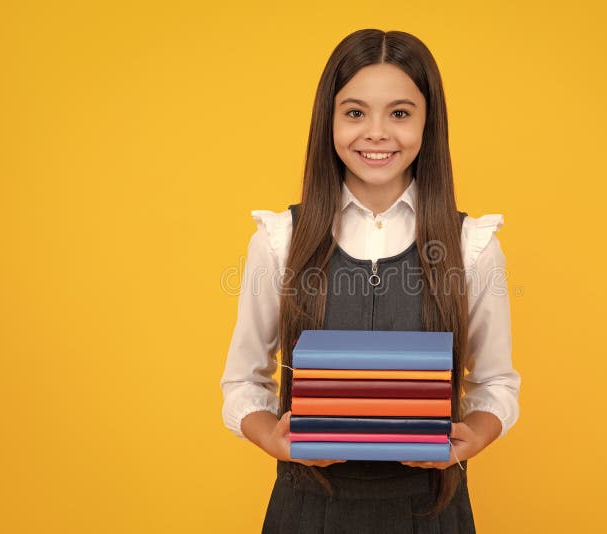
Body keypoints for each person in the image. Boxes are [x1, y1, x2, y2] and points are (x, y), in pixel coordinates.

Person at [220, 28, 521, 533]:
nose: (377, 133)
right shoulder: (279, 240)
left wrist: (476, 435)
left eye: (400, 113)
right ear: (329, 120)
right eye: (355, 112)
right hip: (307, 513)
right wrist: (273, 438)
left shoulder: (472, 245)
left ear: (428, 122)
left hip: (431, 513)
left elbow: (495, 383)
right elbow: (243, 381)